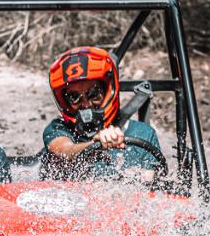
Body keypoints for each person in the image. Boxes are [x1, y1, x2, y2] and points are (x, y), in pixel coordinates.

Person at [43, 46, 163, 181]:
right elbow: (64, 151)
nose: (86, 104)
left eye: (93, 94)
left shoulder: (143, 133)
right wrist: (94, 145)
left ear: (107, 91)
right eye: (74, 97)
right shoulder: (58, 129)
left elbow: (149, 186)